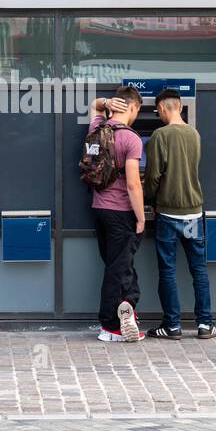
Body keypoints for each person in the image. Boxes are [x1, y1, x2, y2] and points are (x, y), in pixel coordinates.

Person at [142, 88, 216, 340]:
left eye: (157, 111)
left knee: (168, 270)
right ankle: (205, 324)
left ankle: (172, 326)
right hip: (194, 214)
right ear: (181, 107)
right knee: (199, 270)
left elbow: (153, 175)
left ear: (163, 108)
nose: (158, 115)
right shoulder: (194, 135)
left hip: (168, 215)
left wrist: (150, 199)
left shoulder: (159, 135)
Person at [85, 86, 146, 343]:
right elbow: (133, 183)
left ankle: (127, 309)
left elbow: (94, 105)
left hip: (99, 209)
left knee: (118, 265)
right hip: (121, 212)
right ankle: (110, 325)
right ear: (132, 107)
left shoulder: (97, 130)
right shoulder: (131, 138)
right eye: (137, 111)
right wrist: (141, 217)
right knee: (116, 269)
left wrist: (106, 102)